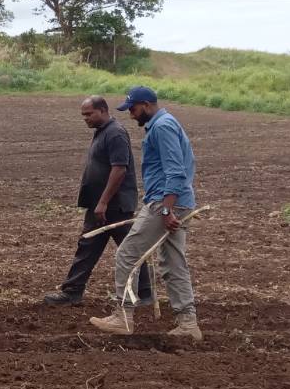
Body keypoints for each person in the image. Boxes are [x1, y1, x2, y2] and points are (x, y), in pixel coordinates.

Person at [90, 87, 203, 340]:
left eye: (133, 108)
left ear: (146, 105)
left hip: (166, 202)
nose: (130, 114)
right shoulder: (165, 123)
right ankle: (188, 324)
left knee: (127, 254)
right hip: (178, 202)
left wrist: (165, 209)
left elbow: (175, 171)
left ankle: (123, 316)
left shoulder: (162, 127)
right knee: (174, 263)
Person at [44, 96, 153, 306]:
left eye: (89, 114)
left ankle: (144, 293)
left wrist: (103, 202)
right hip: (102, 204)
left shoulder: (115, 133)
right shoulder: (103, 132)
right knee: (95, 246)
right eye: (83, 115)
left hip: (114, 205)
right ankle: (74, 291)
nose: (85, 118)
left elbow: (120, 169)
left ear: (102, 111)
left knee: (125, 248)